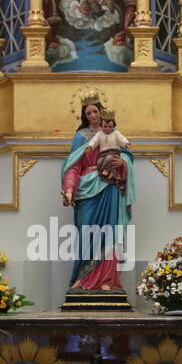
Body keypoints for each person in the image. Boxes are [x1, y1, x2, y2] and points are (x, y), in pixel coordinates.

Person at [61, 100, 135, 292]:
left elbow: (127, 155)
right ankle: (83, 277)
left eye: (96, 111)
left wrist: (122, 163)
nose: (93, 115)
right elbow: (73, 166)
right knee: (86, 233)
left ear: (102, 113)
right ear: (85, 116)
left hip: (109, 186)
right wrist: (69, 189)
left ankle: (108, 279)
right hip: (86, 189)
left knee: (109, 234)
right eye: (89, 113)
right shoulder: (80, 137)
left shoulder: (113, 133)